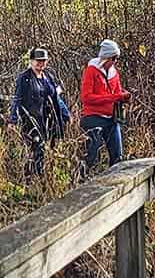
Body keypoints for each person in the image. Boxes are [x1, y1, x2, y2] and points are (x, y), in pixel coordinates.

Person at [9, 48, 70, 178]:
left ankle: (47, 177)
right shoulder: (24, 78)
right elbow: (17, 99)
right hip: (32, 120)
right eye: (38, 61)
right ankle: (35, 178)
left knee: (51, 148)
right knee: (37, 149)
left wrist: (65, 114)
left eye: (43, 61)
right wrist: (13, 120)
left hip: (48, 119)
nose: (41, 64)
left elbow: (55, 97)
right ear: (31, 61)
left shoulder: (48, 77)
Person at [80, 39, 130, 172]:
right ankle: (81, 181)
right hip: (93, 117)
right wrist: (115, 97)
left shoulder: (114, 73)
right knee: (91, 156)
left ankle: (116, 184)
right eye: (114, 58)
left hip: (111, 118)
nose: (115, 62)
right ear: (106, 57)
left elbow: (117, 92)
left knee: (118, 156)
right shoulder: (91, 71)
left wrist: (124, 97)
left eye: (116, 59)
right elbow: (86, 98)